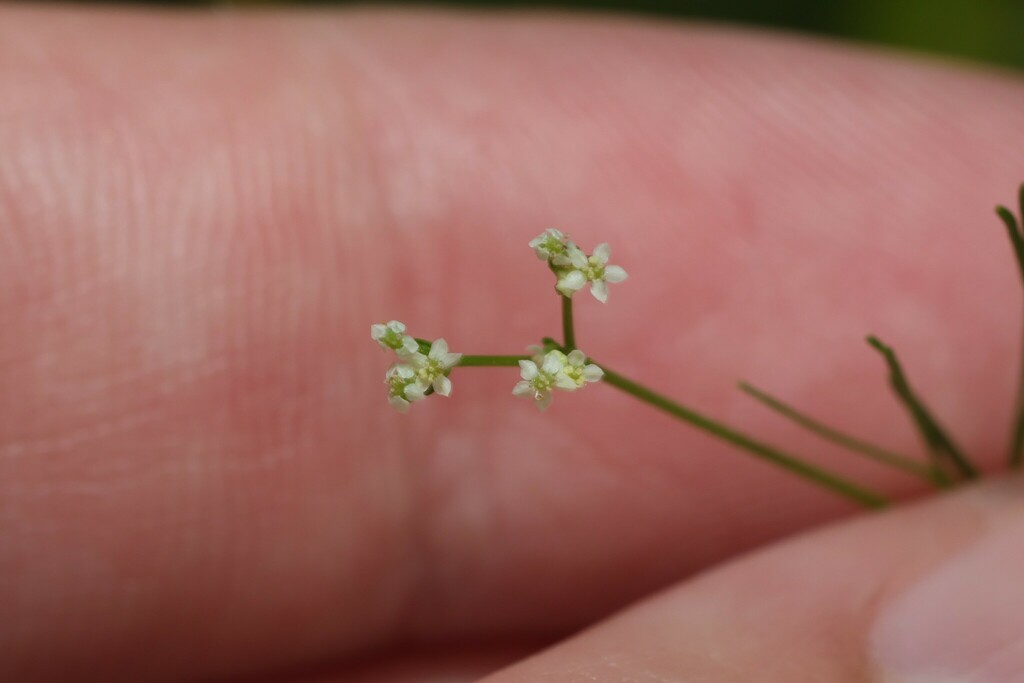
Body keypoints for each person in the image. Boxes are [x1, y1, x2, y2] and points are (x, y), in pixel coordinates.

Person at [2, 6, 1022, 682]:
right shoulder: (538, 351)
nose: (577, 293)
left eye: (576, 279)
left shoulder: (562, 325)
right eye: (574, 284)